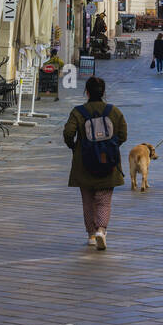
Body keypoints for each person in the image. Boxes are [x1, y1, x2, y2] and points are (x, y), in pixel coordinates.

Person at [62, 76, 127, 249]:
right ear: (104, 92)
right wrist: (110, 146)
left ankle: (91, 235)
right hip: (108, 163)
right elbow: (123, 135)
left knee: (88, 200)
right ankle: (101, 229)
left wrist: (74, 147)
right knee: (104, 200)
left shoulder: (78, 112)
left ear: (87, 92)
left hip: (84, 163)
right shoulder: (114, 112)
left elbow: (68, 132)